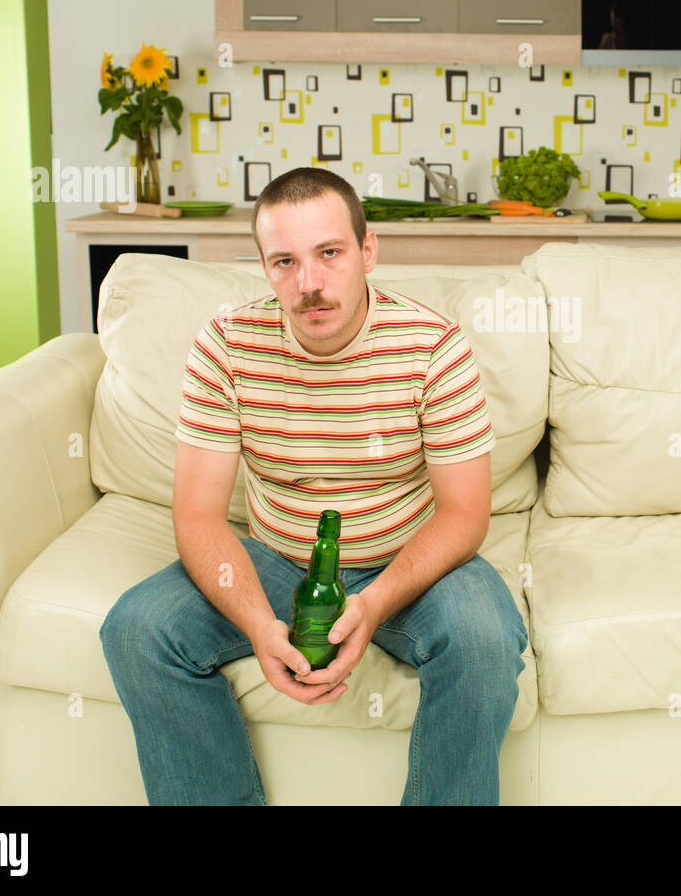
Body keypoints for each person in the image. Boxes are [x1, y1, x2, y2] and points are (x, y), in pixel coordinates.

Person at [99, 166, 528, 805]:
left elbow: (465, 514)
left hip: (410, 567)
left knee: (486, 639)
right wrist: (258, 624)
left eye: (329, 253)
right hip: (276, 561)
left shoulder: (434, 348)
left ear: (367, 250)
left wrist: (374, 603)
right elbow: (196, 515)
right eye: (284, 262)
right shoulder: (225, 346)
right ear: (266, 268)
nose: (309, 285)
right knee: (137, 629)